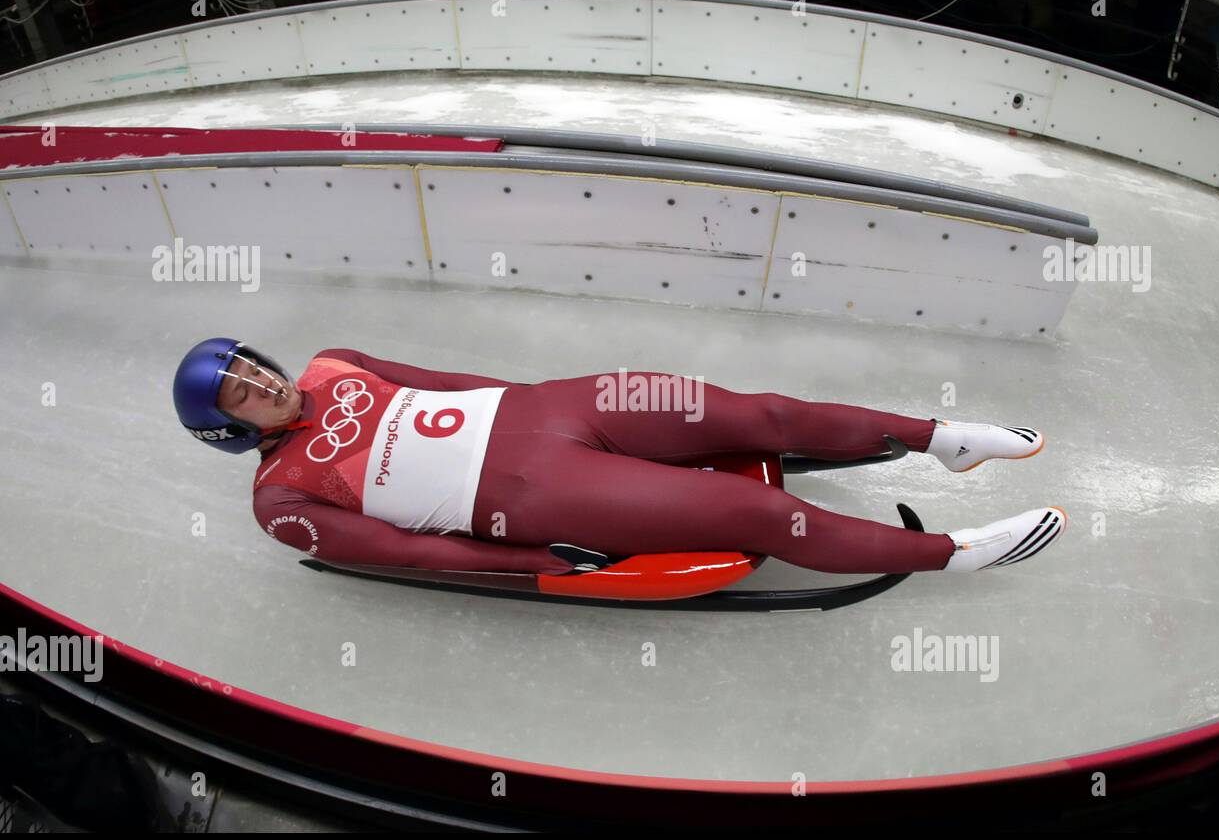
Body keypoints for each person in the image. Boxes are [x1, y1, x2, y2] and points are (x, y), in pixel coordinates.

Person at [172, 338, 1066, 578]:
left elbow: (447, 378)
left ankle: (941, 440)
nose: (263, 380)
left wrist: (541, 401)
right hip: (530, 490)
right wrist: (528, 562)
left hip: (552, 410)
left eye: (252, 364)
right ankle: (954, 553)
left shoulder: (335, 360)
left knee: (762, 412)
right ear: (231, 429)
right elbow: (406, 552)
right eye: (241, 390)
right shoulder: (280, 501)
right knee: (760, 518)